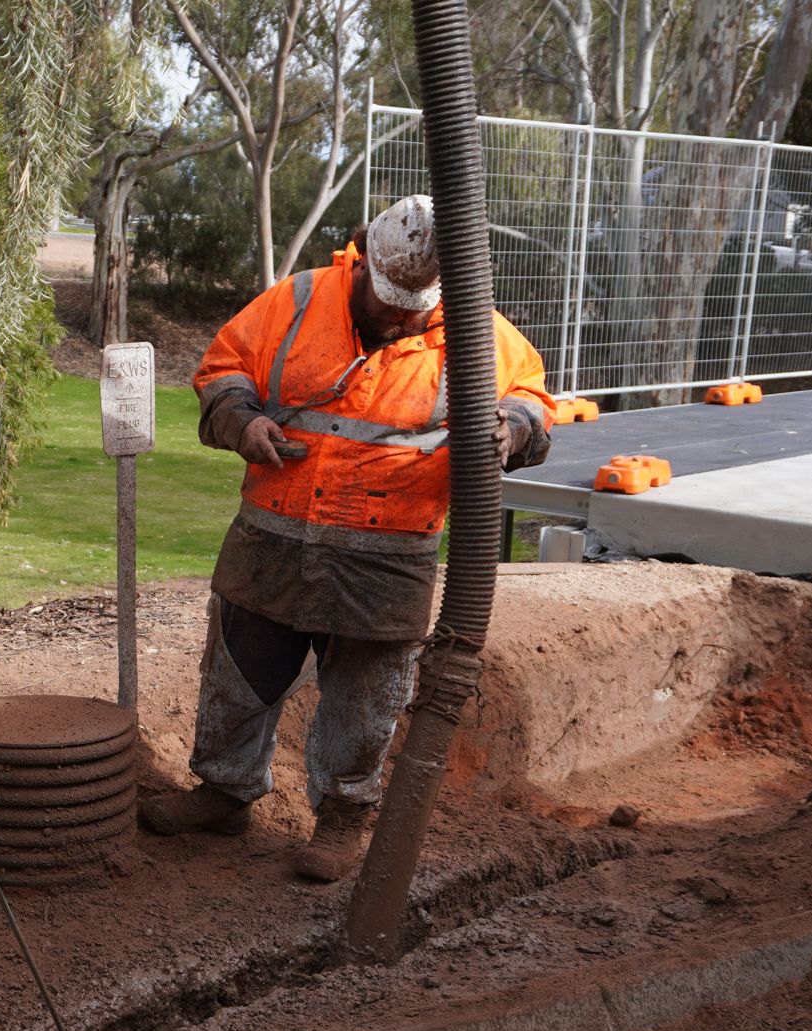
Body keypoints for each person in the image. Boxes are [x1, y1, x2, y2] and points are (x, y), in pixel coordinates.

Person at [139, 194, 555, 882]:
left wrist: (511, 430)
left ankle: (341, 817)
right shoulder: (299, 300)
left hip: (387, 558)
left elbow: (532, 401)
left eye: (412, 309)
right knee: (239, 674)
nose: (397, 319)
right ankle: (225, 791)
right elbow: (225, 368)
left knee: (365, 701)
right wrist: (242, 421)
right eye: (388, 302)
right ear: (361, 263)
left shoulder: (478, 335)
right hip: (273, 538)